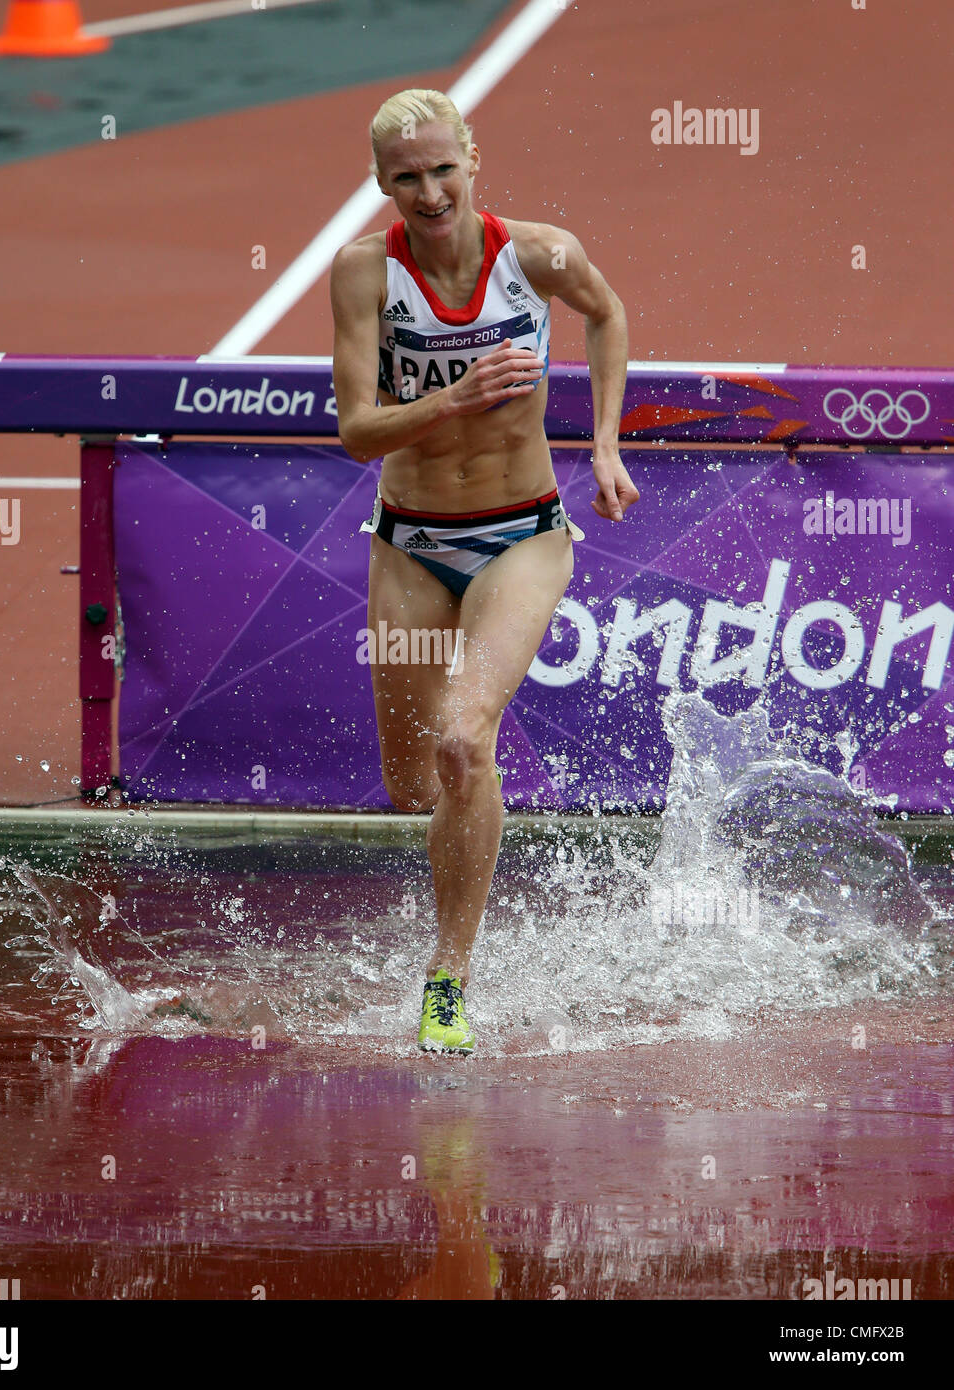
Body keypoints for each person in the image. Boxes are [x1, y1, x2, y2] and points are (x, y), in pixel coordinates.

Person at [329, 88, 637, 1053]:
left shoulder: (538, 256)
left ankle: (448, 978)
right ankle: (468, 853)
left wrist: (604, 443)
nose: (428, 192)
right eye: (405, 177)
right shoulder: (363, 274)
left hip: (522, 536)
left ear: (472, 158)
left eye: (442, 168)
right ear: (383, 184)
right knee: (411, 784)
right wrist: (451, 398)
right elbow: (353, 435)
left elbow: (607, 311)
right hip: (411, 544)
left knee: (464, 744)